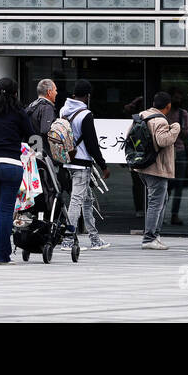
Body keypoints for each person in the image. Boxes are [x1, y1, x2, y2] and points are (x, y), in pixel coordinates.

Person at [0, 76, 35, 265]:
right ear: (15, 93)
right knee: (5, 210)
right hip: (10, 165)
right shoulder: (18, 112)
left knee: (0, 206)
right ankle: (3, 255)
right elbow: (30, 135)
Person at [60, 78, 110, 252]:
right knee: (76, 201)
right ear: (87, 96)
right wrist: (103, 165)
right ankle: (67, 239)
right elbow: (92, 144)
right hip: (82, 164)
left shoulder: (63, 111)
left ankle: (94, 238)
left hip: (67, 161)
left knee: (87, 200)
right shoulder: (85, 115)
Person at [137, 92, 181, 250]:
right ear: (168, 106)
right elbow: (163, 141)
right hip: (157, 168)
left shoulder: (142, 115)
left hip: (143, 165)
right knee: (156, 203)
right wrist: (175, 128)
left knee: (161, 200)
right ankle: (149, 238)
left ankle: (155, 235)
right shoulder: (160, 120)